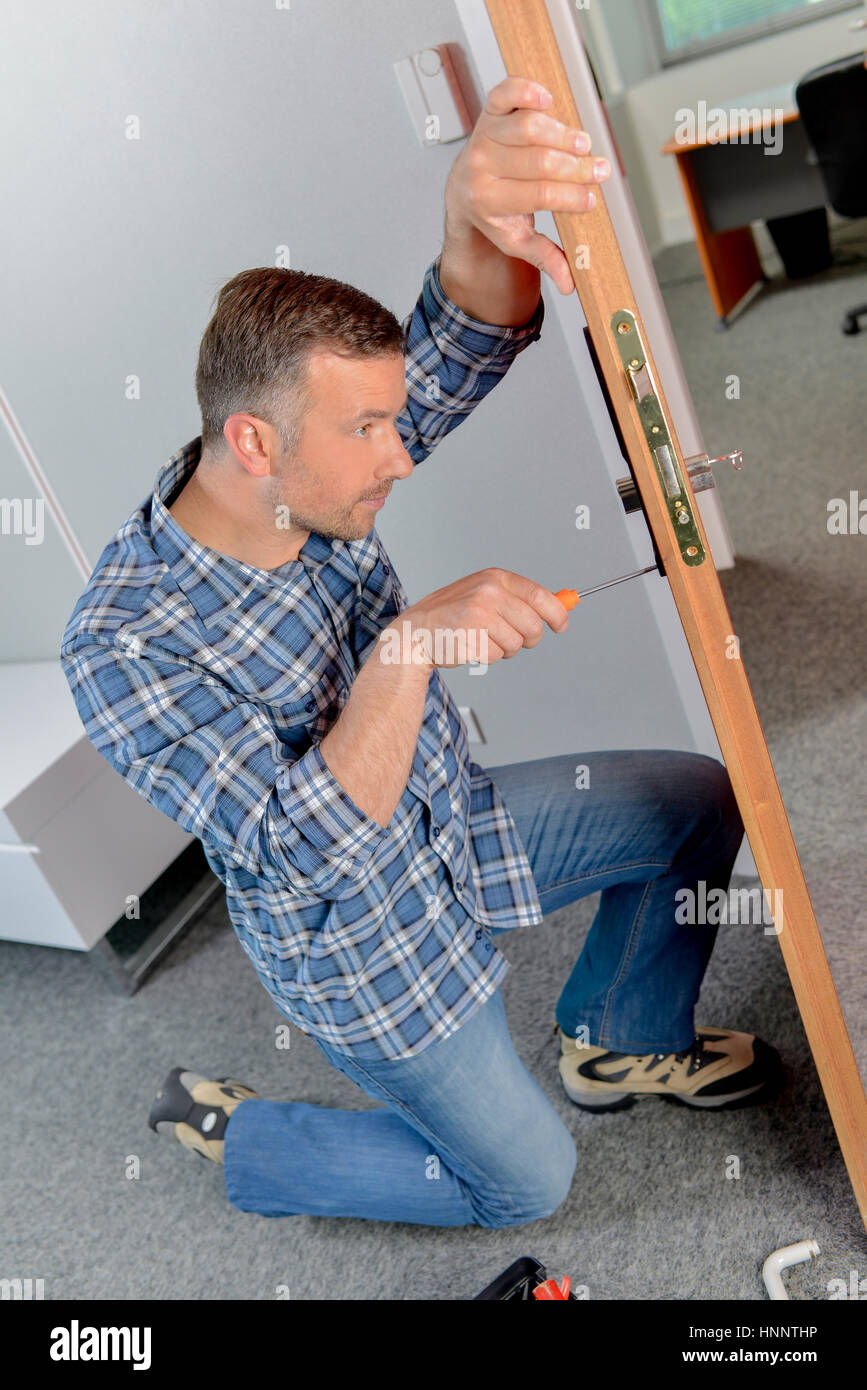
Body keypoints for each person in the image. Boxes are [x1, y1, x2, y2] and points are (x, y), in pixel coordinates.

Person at [60, 78, 781, 1229]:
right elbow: (307, 851)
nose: (402, 454)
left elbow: (463, 339)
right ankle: (250, 1133)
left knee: (701, 799)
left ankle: (617, 1040)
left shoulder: (306, 474)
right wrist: (408, 649)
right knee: (526, 1186)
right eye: (370, 430)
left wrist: (468, 219)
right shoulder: (124, 646)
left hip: (459, 828)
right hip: (369, 952)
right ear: (254, 441)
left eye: (394, 421)